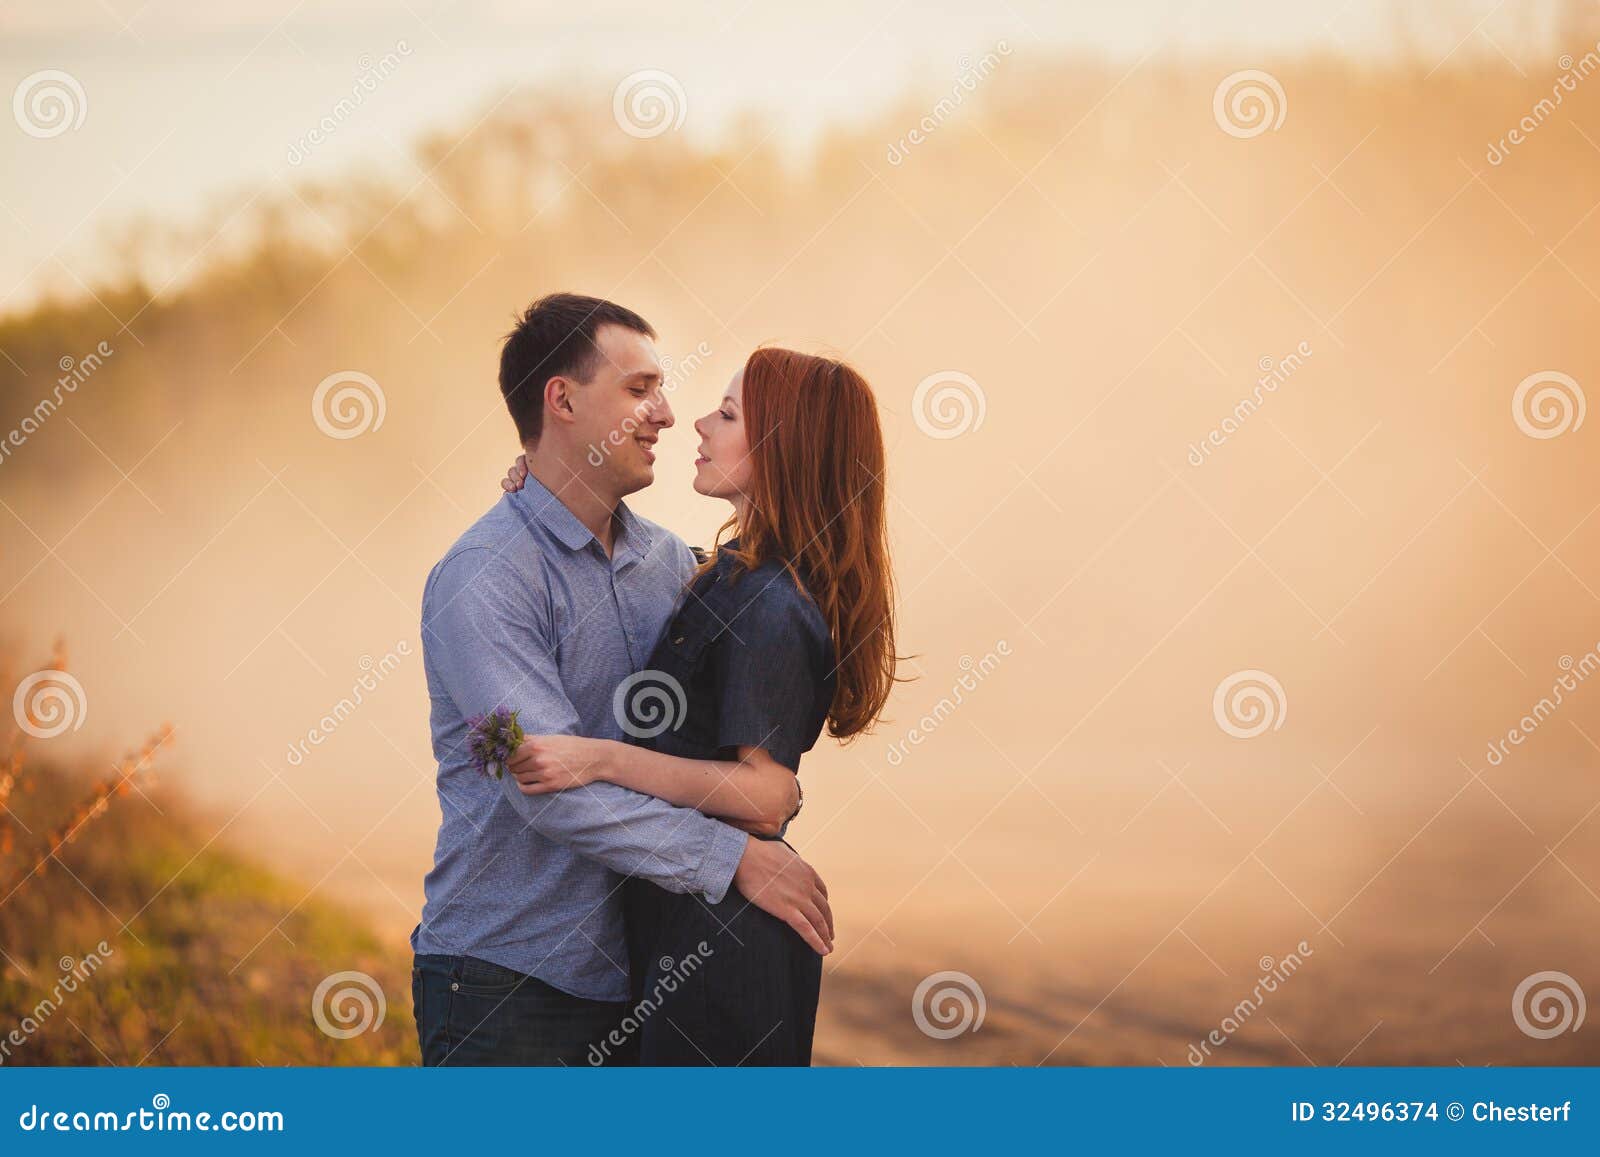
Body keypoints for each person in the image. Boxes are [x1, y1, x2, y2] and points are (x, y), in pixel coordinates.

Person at [412, 294, 833, 1067]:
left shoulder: (673, 566)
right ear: (562, 400)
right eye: (640, 389)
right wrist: (730, 856)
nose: (668, 414)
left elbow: (733, 701)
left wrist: (769, 790)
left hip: (644, 980)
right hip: (508, 983)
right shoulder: (485, 577)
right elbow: (551, 790)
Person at [500, 345, 897, 1065]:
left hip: (728, 943)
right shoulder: (728, 573)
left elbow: (768, 795)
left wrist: (600, 759)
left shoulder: (772, 603)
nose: (699, 426)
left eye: (728, 413)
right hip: (689, 924)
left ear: (784, 446)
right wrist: (548, 490)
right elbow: (634, 562)